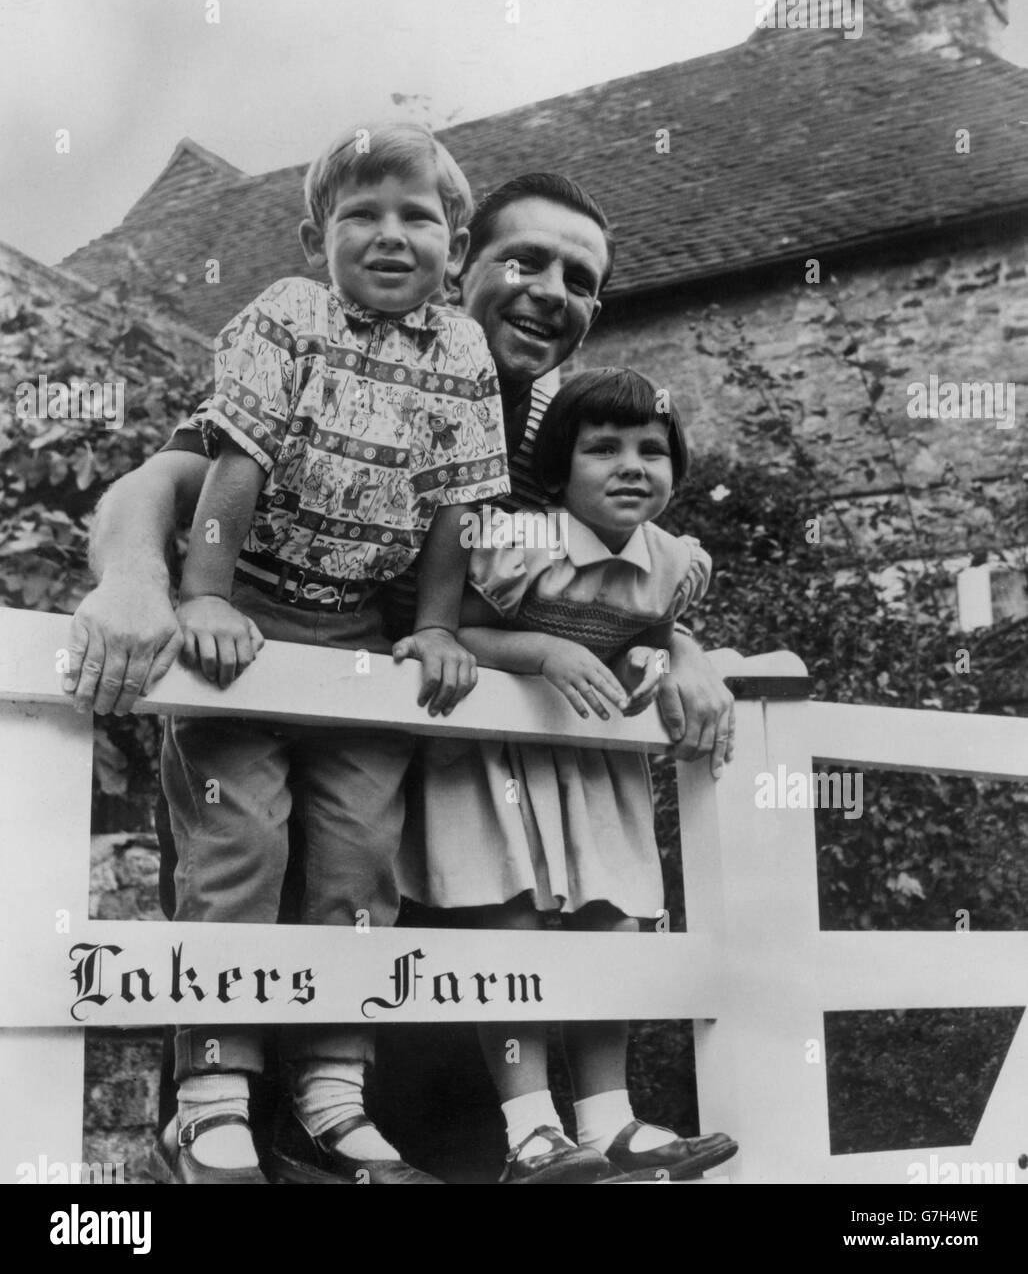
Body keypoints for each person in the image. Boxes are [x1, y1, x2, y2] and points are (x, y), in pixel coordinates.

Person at [67, 169, 737, 1180]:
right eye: (523, 259)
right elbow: (161, 483)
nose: (547, 288)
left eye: (578, 277)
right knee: (269, 1103)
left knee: (472, 1136)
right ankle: (223, 1119)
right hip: (301, 791)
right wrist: (130, 577)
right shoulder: (344, 353)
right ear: (460, 261)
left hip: (473, 840)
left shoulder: (570, 432)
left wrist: (678, 650)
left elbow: (624, 582)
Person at [147, 120, 509, 1185]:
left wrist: (434, 625)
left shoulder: (461, 352)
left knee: (356, 858)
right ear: (317, 236)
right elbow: (234, 465)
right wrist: (204, 596)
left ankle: (332, 1100)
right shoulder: (290, 316)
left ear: (454, 239)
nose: (391, 235)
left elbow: (453, 512)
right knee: (239, 842)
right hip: (250, 607)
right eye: (362, 215)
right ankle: (209, 1101)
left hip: (357, 624)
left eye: (418, 217)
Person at [400, 367, 737, 1183]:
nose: (632, 465)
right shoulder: (522, 545)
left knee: (612, 924)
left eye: (652, 451)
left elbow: (657, 627)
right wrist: (548, 649)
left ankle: (610, 1120)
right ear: (556, 472)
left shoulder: (673, 560)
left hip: (595, 763)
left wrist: (670, 653)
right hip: (496, 764)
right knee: (512, 926)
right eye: (603, 448)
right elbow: (461, 634)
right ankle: (530, 1131)